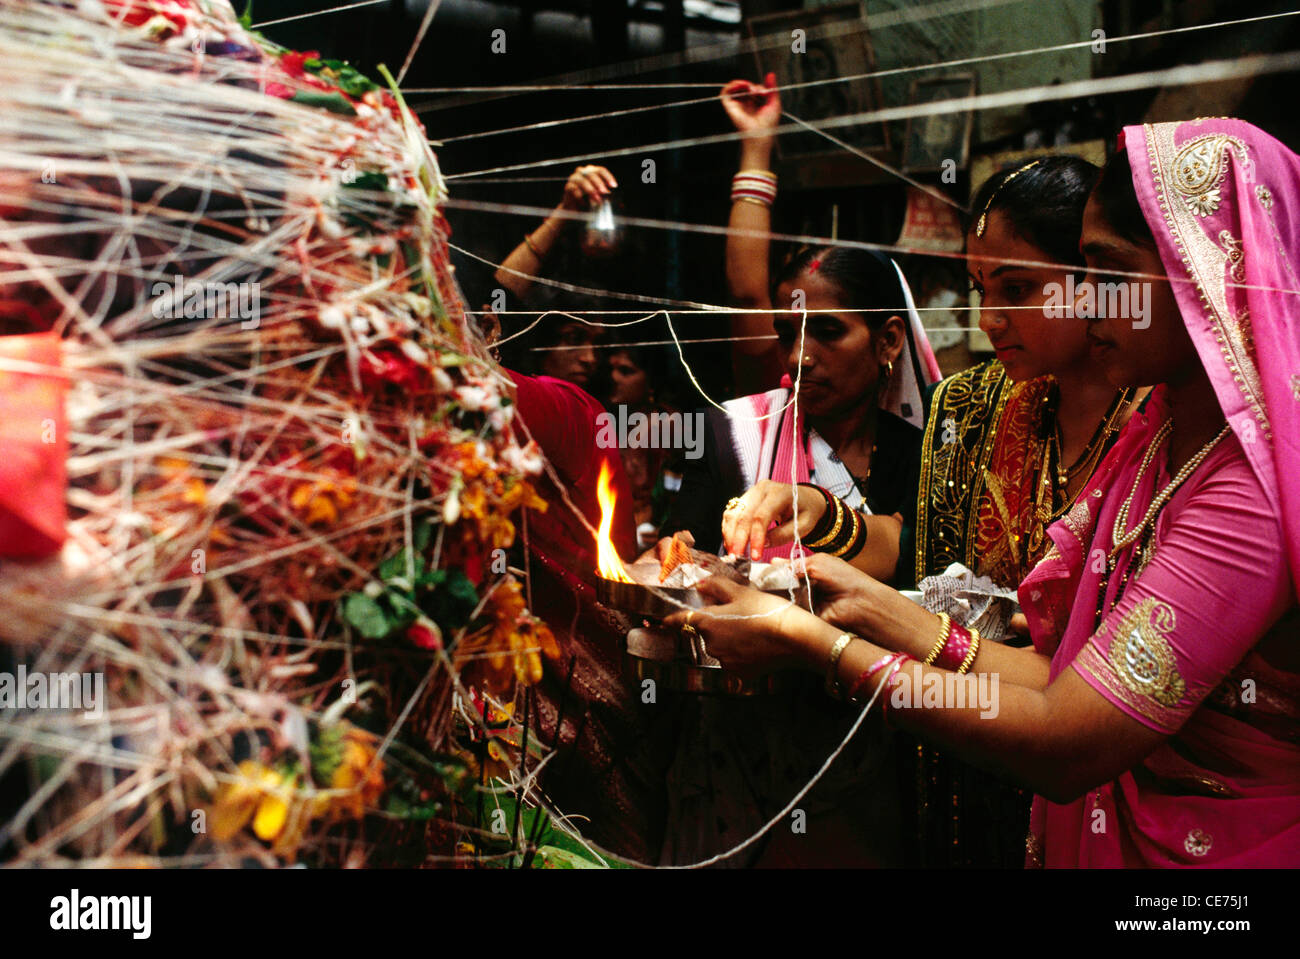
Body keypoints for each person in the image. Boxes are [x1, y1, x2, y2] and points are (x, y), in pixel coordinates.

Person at [666, 118, 1300, 867]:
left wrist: (814, 642)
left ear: (1204, 273)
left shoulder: (1248, 490)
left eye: (1108, 274)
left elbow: (1067, 736)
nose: (1090, 304)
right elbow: (1055, 668)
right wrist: (845, 593)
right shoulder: (1160, 440)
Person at [724, 155, 1145, 867]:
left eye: (1017, 289)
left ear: (1094, 282)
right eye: (982, 289)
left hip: (1105, 767)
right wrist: (820, 512)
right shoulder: (967, 404)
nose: (990, 321)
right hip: (958, 757)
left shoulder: (1158, 422)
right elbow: (923, 553)